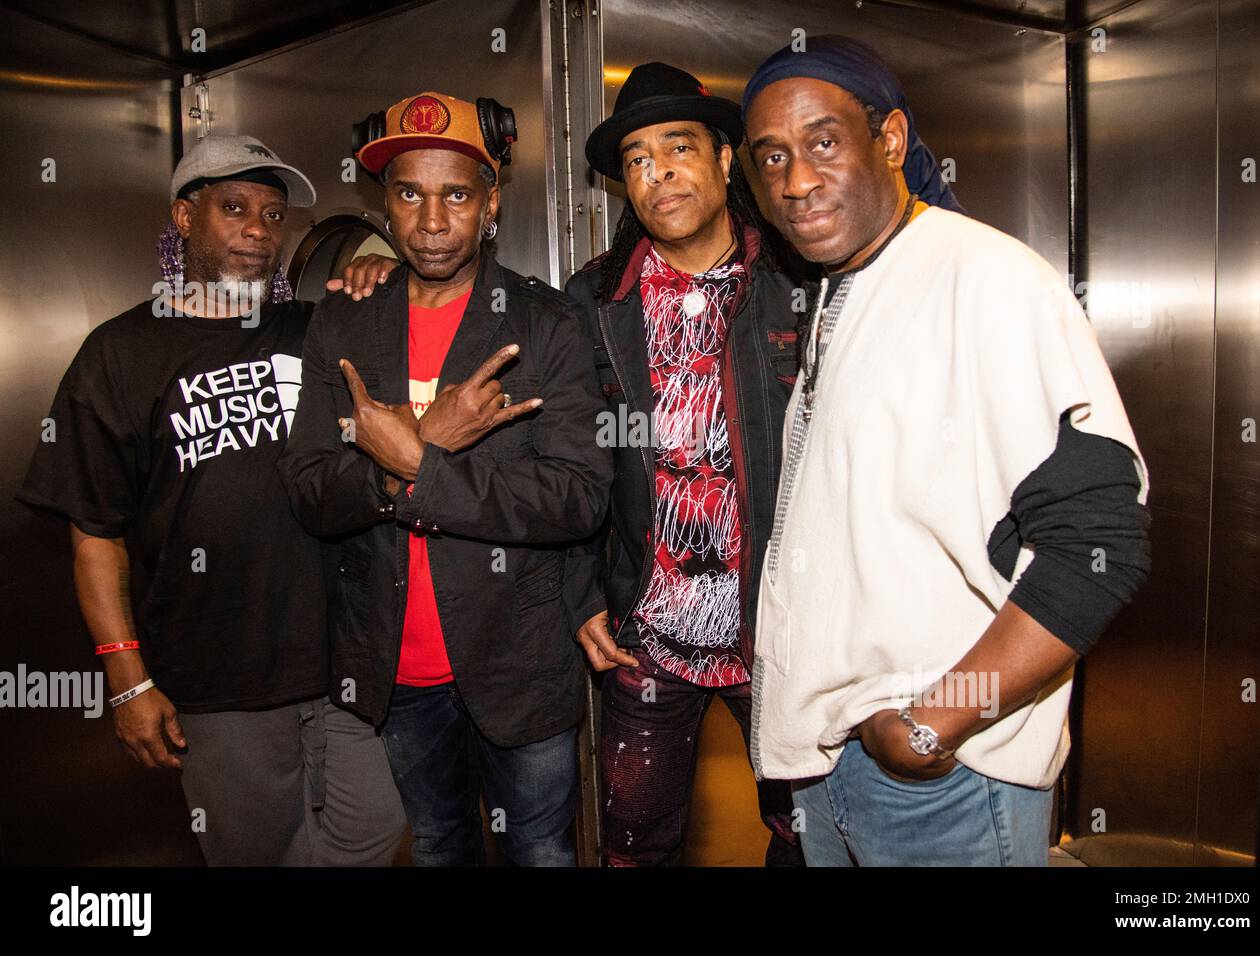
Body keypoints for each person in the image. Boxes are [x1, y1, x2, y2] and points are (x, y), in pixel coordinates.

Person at [741, 35, 1152, 866]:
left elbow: (1101, 544)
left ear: (889, 140)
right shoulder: (841, 286)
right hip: (836, 766)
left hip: (944, 784)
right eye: (771, 157)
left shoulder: (989, 282)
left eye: (823, 142)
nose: (794, 181)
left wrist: (936, 723)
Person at [17, 134, 406, 866]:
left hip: (350, 660)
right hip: (218, 675)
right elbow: (94, 534)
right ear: (185, 219)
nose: (258, 230)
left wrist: (382, 273)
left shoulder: (315, 328)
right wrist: (127, 679)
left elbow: (411, 359)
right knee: (254, 852)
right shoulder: (120, 351)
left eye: (271, 214)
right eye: (234, 209)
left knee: (377, 831)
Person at [279, 90, 611, 866]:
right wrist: (414, 460)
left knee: (539, 850)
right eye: (409, 195)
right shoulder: (344, 320)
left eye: (456, 194)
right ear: (384, 206)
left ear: (491, 202)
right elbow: (308, 488)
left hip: (519, 662)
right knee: (438, 847)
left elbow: (579, 497)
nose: (432, 221)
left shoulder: (544, 322)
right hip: (394, 664)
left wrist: (419, 467)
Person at [562, 61, 805, 866]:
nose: (657, 173)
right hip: (648, 636)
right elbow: (570, 460)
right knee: (634, 847)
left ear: (725, 158)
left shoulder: (797, 281)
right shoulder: (595, 300)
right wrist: (583, 594)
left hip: (778, 632)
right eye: (635, 159)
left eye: (677, 147)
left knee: (807, 837)